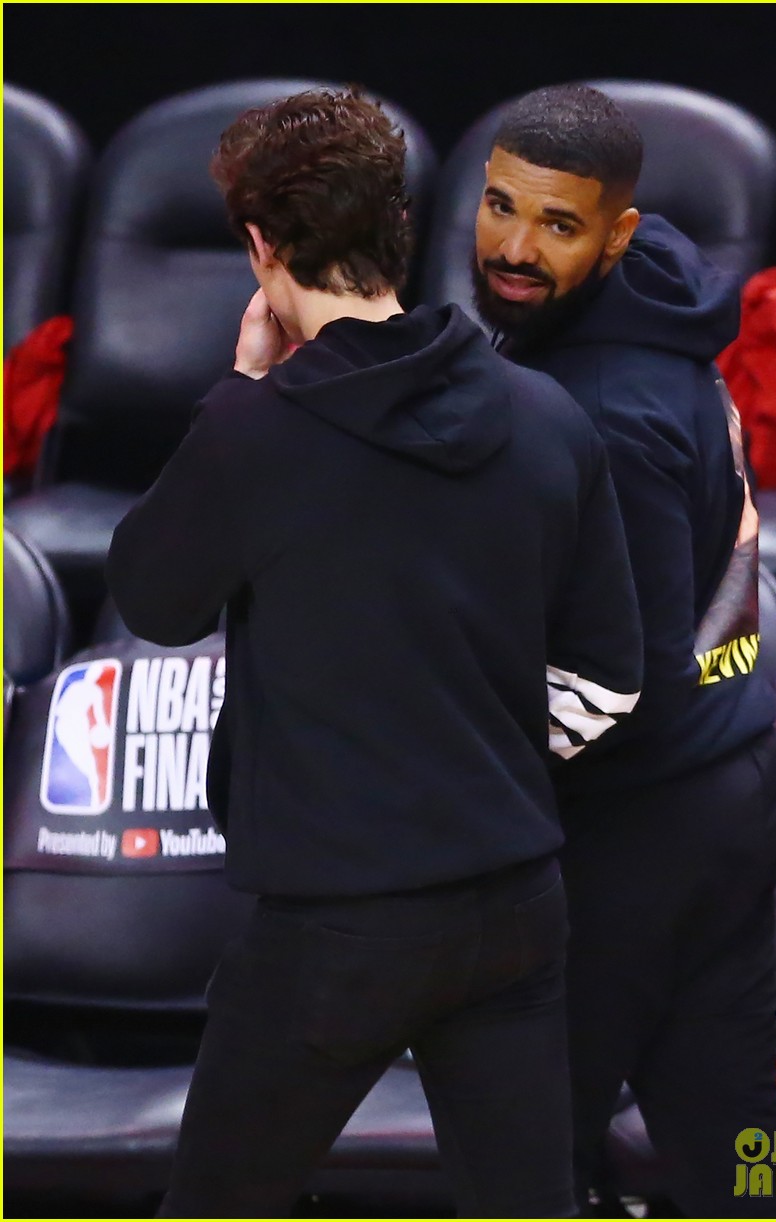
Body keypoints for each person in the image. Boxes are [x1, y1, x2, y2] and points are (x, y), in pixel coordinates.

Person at [106, 88, 643, 1219]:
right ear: (401, 227)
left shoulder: (256, 432)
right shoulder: (547, 414)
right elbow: (608, 678)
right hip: (512, 906)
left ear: (264, 246)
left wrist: (243, 390)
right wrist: (476, 774)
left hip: (331, 927)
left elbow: (153, 601)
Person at [472, 84, 776, 1219]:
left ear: (617, 232)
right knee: (743, 1131)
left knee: (527, 1150)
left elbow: (611, 677)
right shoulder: (649, 303)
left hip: (640, 815)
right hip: (732, 771)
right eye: (497, 206)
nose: (515, 248)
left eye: (558, 226)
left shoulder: (601, 411)